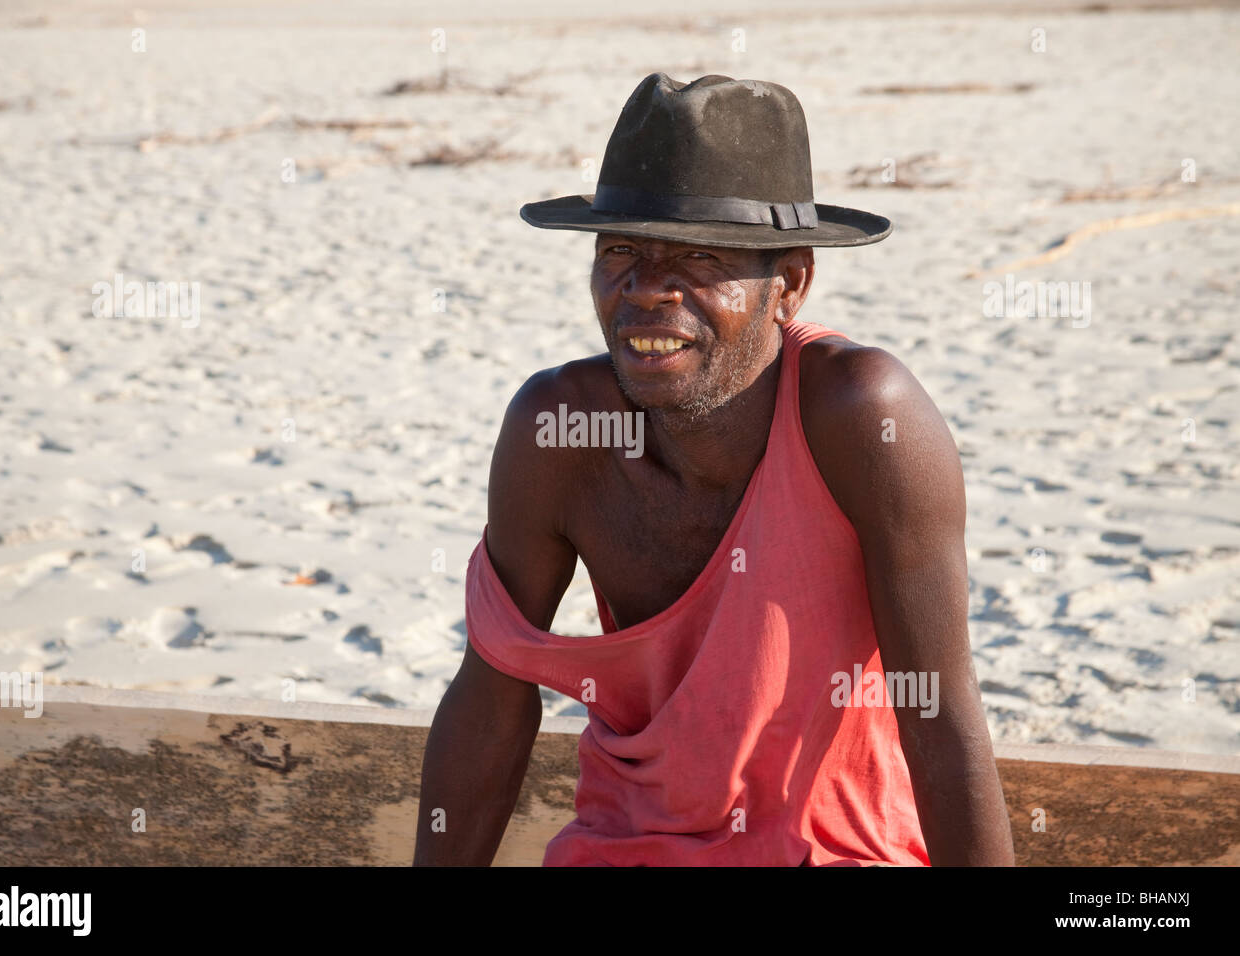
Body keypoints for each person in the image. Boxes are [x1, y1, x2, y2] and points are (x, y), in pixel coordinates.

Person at [413, 73, 1015, 866]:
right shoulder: (556, 430)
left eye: (699, 257)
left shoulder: (863, 417)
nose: (649, 289)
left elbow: (936, 711)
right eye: (622, 250)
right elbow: (491, 694)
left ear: (790, 284)